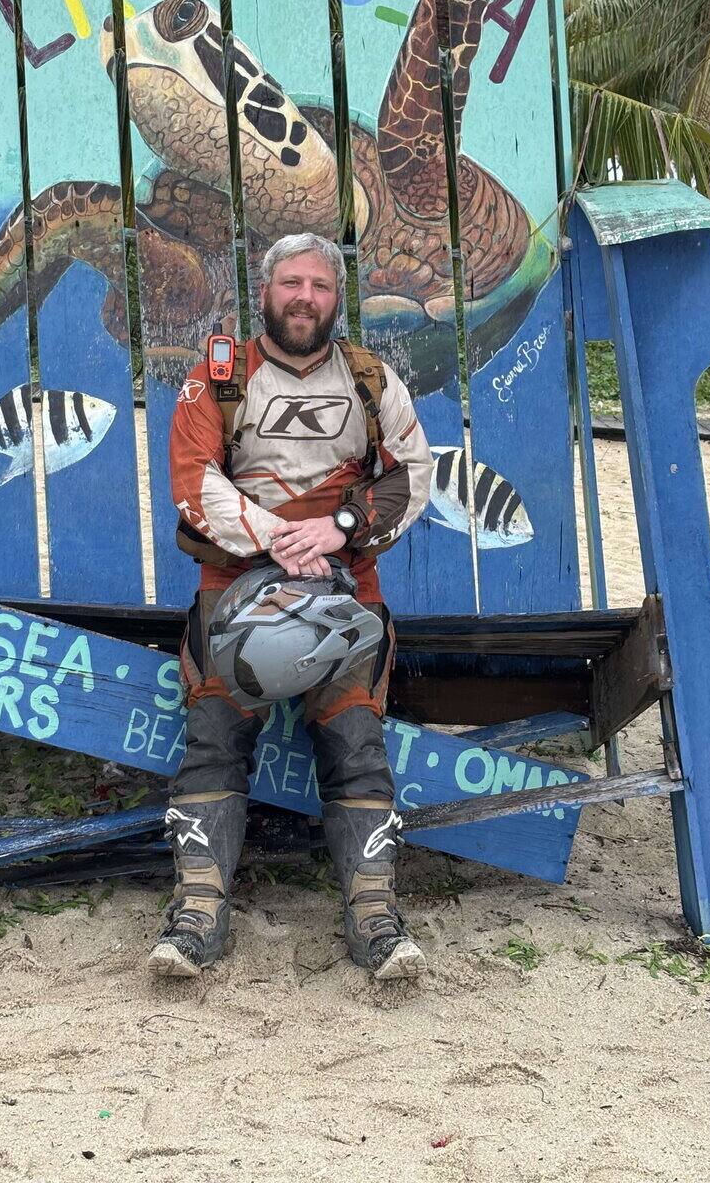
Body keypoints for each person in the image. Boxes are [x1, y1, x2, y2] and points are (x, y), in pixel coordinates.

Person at [150, 232, 434, 981]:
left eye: (320, 285)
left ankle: (375, 918)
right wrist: (278, 539)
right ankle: (197, 915)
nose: (305, 297)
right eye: (291, 283)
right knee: (214, 736)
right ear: (266, 292)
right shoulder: (219, 379)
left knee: (356, 743)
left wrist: (338, 527)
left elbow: (415, 473)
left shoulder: (371, 382)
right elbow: (192, 477)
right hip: (234, 588)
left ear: (337, 298)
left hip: (347, 591)